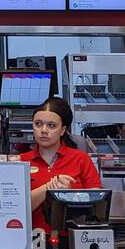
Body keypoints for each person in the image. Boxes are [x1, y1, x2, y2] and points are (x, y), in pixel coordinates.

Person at [21, 96, 101, 237]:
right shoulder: (20, 162)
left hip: (74, 240)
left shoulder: (81, 159)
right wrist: (48, 188)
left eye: (51, 125)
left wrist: (71, 194)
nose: (43, 130)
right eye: (38, 124)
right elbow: (15, 208)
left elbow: (97, 205)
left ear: (63, 130)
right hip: (30, 241)